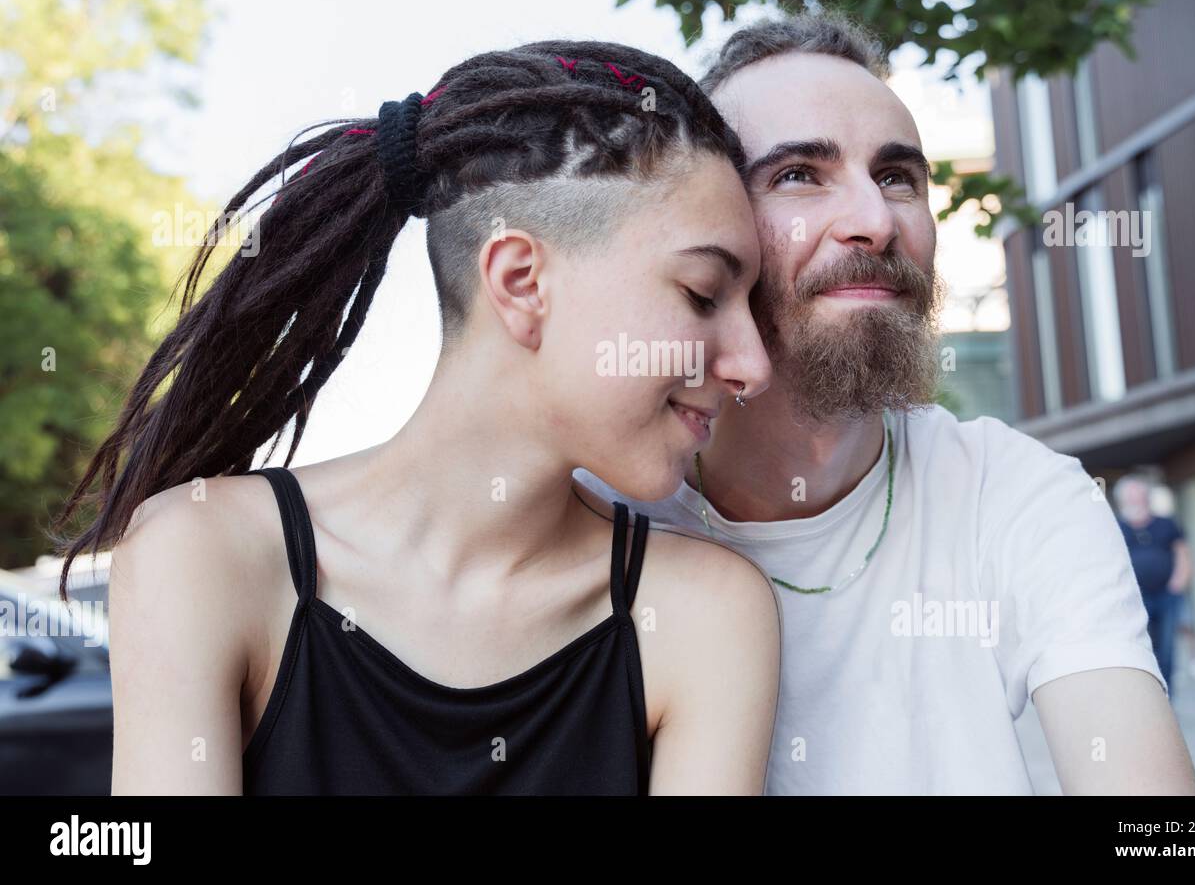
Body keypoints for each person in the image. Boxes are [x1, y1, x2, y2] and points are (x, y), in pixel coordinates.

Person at [49, 41, 781, 795]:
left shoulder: (704, 617)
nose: (751, 365)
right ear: (522, 282)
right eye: (702, 293)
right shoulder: (205, 556)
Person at [575, 10, 1195, 794]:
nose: (875, 221)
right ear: (706, 225)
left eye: (897, 178)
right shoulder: (590, 518)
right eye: (800, 173)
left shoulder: (1016, 494)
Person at [1113, 474, 1193, 699]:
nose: (1136, 503)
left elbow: (1183, 554)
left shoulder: (1166, 524)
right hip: (1134, 598)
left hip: (1167, 595)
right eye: (1131, 499)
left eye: (1140, 497)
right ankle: (1148, 696)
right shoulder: (1116, 527)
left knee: (1167, 648)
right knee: (1142, 647)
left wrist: (1179, 581)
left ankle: (1167, 696)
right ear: (1123, 502)